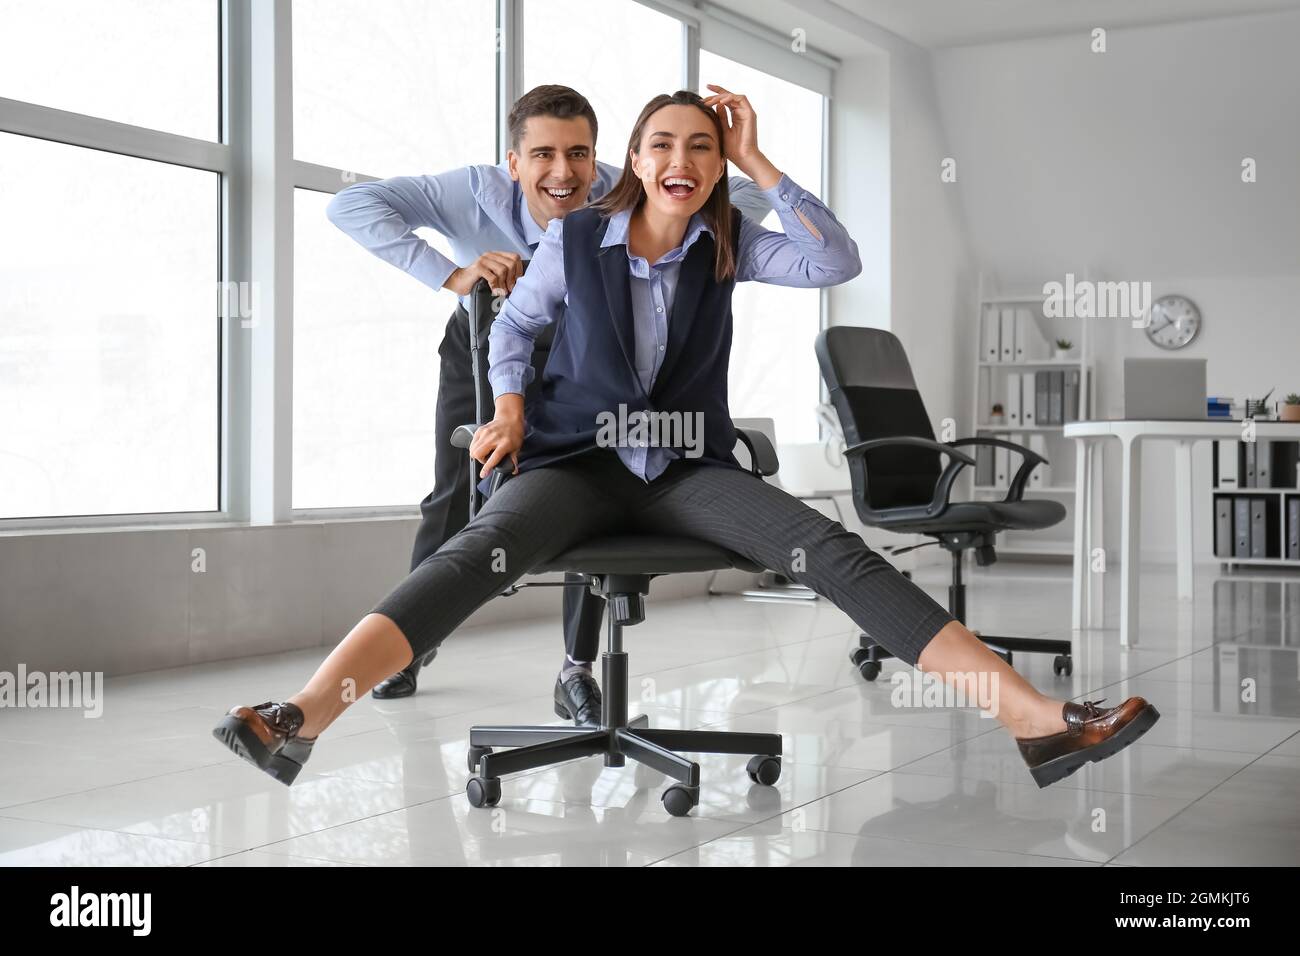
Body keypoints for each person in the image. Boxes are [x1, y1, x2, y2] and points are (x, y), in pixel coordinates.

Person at [215, 86, 1159, 791]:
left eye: (702, 146)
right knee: (470, 555)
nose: (683, 156)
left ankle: (1035, 721)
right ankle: (300, 716)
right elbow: (509, 331)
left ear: (715, 164)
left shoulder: (733, 239)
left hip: (685, 467)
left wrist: (762, 163)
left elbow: (837, 258)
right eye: (662, 142)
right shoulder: (575, 238)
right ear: (632, 158)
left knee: (832, 552)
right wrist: (507, 408)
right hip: (576, 463)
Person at [325, 85, 770, 720]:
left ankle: (577, 668)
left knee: (592, 480)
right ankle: (408, 647)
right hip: (488, 336)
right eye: (543, 156)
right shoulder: (471, 190)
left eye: (579, 155)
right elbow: (352, 204)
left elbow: (738, 201)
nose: (563, 174)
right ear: (514, 162)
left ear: (601, 159)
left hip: (588, 345)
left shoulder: (631, 186)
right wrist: (454, 276)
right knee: (455, 489)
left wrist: (706, 168)